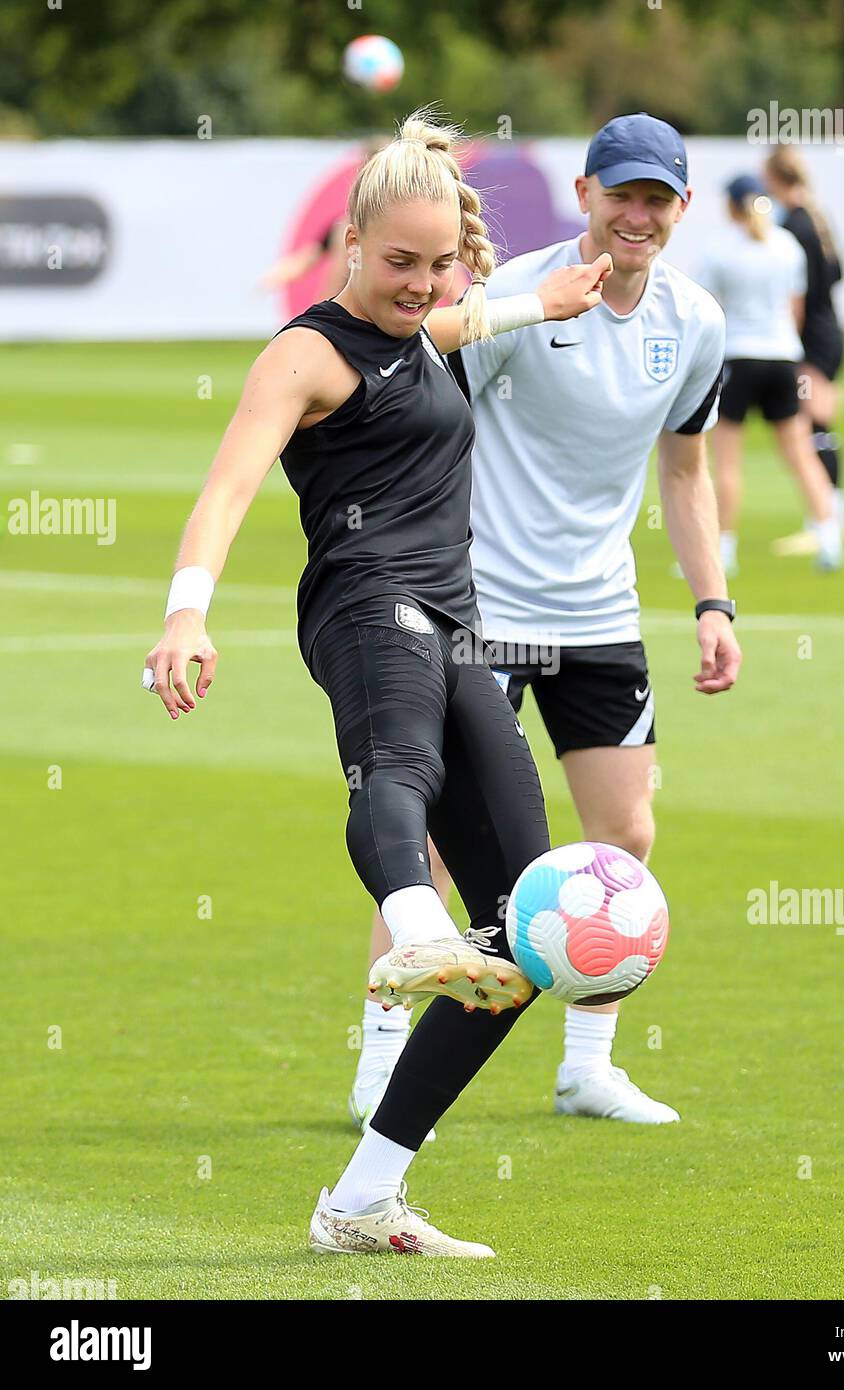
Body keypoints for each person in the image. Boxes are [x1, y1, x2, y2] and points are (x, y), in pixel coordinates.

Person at [141, 109, 611, 1258]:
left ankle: (362, 1197)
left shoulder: (425, 329)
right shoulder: (304, 352)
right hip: (362, 605)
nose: (418, 283)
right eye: (396, 260)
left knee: (522, 935)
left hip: (459, 624)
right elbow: (227, 485)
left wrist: (531, 305)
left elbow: (451, 324)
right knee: (396, 766)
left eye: (436, 261)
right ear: (347, 241)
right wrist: (185, 610)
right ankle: (411, 923)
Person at [349, 112, 742, 1136]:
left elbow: (686, 470)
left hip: (599, 611)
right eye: (621, 195)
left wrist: (711, 601)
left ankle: (586, 1067)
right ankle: (381, 1058)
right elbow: (411, 398)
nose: (637, 214)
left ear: (680, 209)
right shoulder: (514, 296)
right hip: (482, 609)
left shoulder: (694, 322)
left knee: (623, 835)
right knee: (443, 852)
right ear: (584, 195)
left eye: (656, 199)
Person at [695, 174, 844, 576]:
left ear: (732, 205)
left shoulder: (721, 248)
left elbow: (707, 308)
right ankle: (829, 537)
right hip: (782, 358)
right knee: (799, 452)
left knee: (726, 460)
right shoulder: (786, 245)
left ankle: (722, 550)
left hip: (740, 357)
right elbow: (795, 308)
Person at [763, 147, 844, 557]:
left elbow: (801, 288)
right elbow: (837, 273)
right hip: (829, 331)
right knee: (820, 426)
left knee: (811, 428)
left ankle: (826, 522)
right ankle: (832, 518)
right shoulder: (817, 216)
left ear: (775, 177)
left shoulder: (794, 224)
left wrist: (791, 340)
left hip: (811, 338)